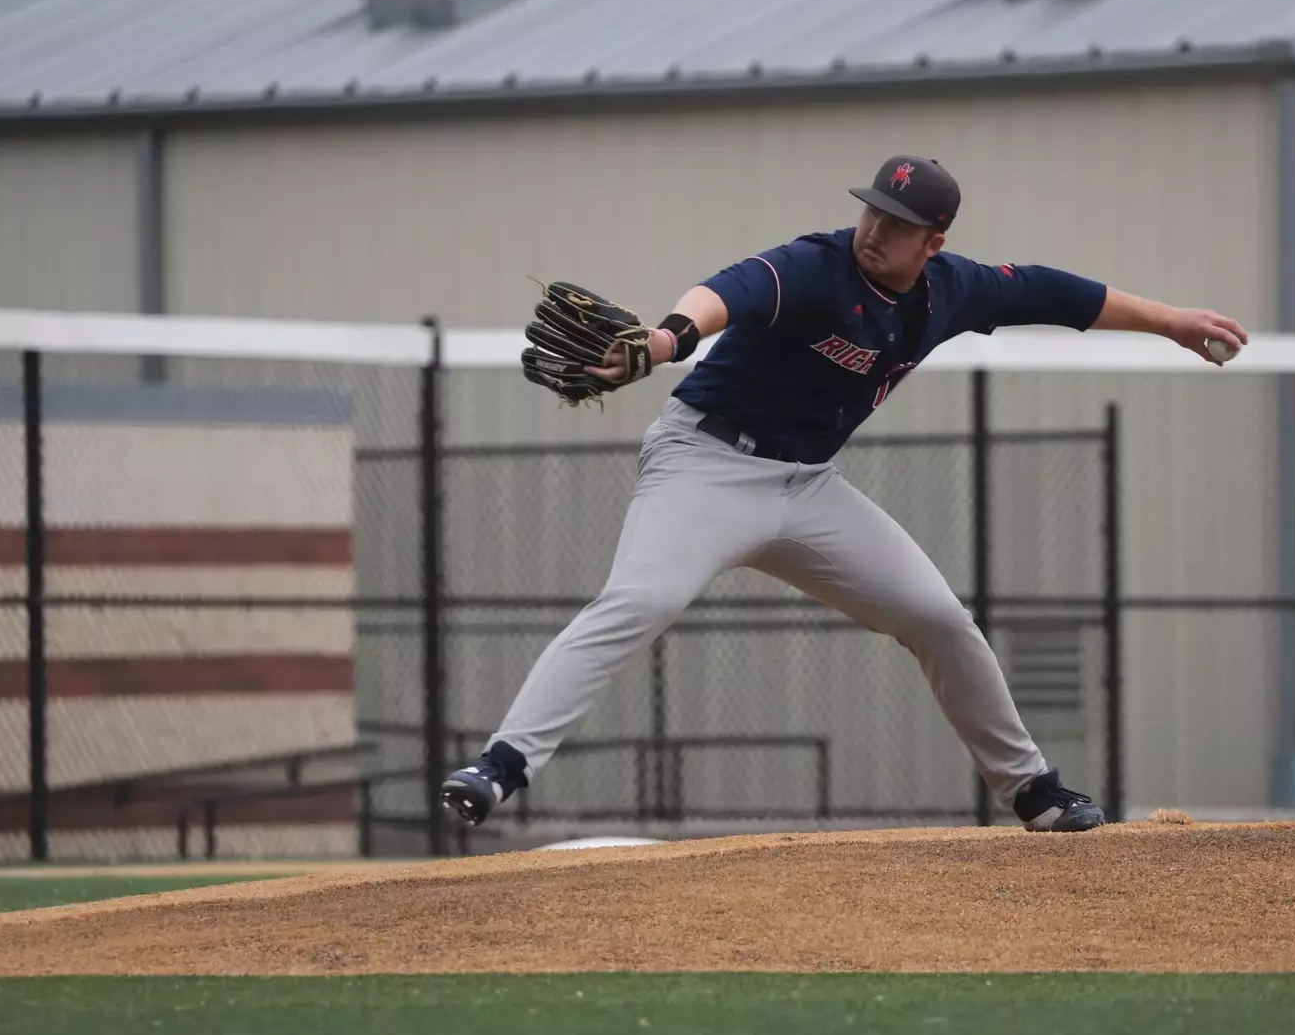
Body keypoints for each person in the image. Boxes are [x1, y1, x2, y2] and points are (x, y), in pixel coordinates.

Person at [441, 154, 1247, 832]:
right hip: (705, 466)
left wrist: (1169, 320)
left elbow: (1054, 292)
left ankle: (1031, 790)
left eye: (897, 223)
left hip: (807, 487)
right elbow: (732, 289)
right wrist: (667, 339)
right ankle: (499, 766)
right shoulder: (818, 265)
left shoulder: (953, 291)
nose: (874, 230)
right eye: (871, 211)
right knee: (638, 602)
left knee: (938, 619)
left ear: (934, 241)